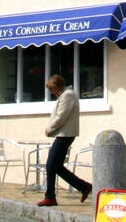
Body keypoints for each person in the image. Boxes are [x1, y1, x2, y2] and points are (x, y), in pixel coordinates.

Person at [37, 74, 92, 207]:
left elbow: (62, 116)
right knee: (57, 166)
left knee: (51, 165)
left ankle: (50, 196)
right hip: (63, 134)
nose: (52, 93)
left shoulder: (68, 95)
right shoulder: (66, 95)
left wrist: (49, 128)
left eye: (53, 90)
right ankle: (84, 187)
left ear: (58, 86)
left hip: (65, 134)